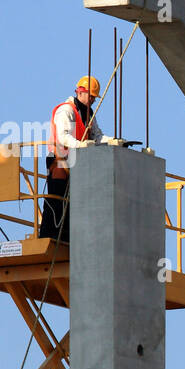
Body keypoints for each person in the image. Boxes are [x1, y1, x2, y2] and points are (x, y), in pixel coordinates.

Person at [39, 75, 122, 243]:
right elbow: (63, 137)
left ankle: (68, 234)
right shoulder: (66, 110)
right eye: (90, 96)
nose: (92, 100)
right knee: (57, 196)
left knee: (74, 199)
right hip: (59, 159)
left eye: (94, 97)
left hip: (76, 160)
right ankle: (49, 234)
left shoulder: (88, 113)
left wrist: (113, 141)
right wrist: (81, 145)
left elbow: (97, 135)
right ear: (80, 92)